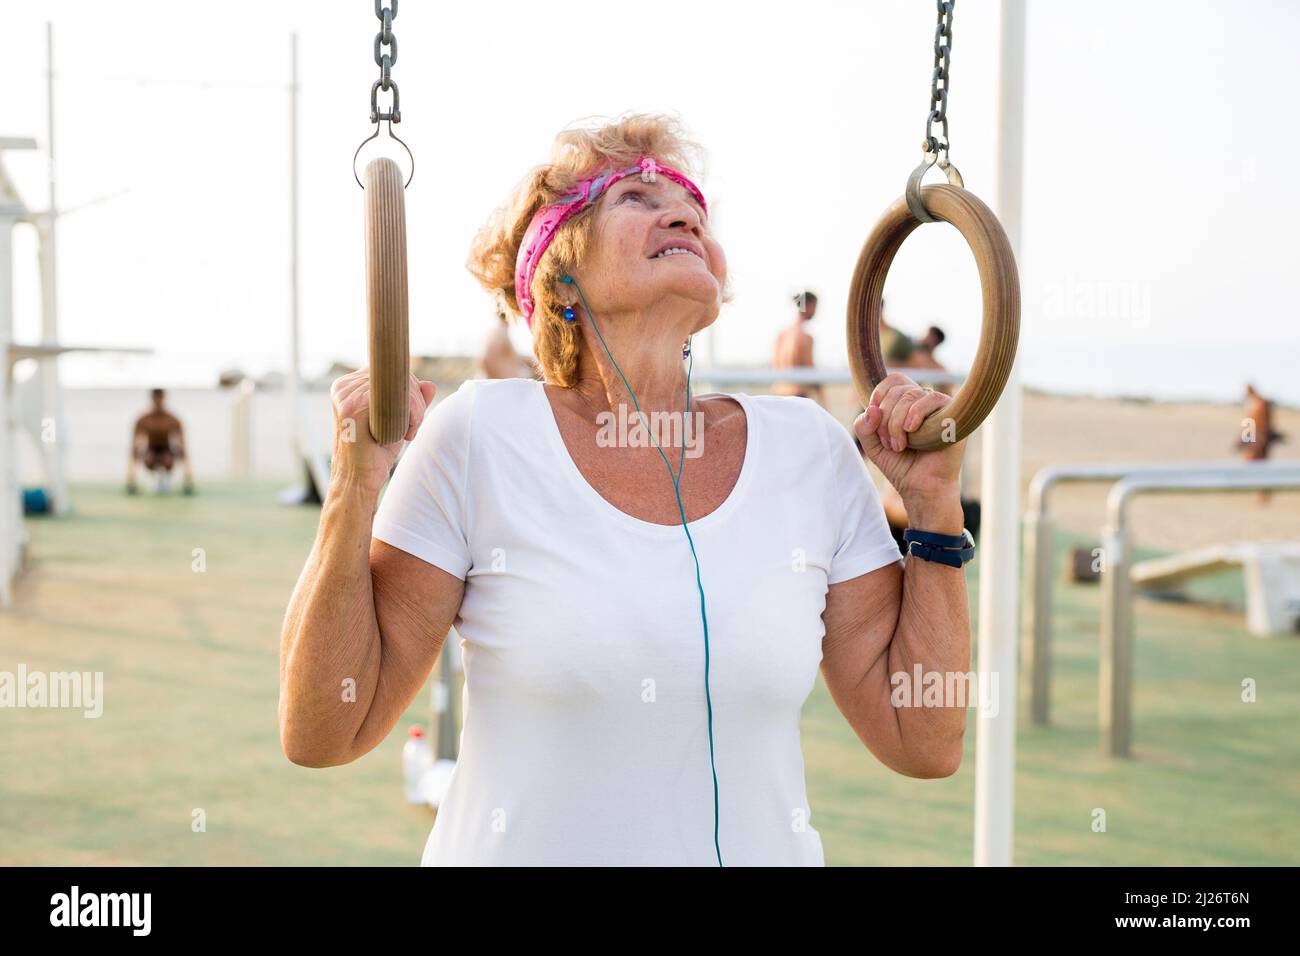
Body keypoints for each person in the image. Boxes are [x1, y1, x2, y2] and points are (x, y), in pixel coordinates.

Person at [279, 113, 974, 867]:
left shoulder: (809, 449)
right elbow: (324, 732)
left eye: (692, 209)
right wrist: (355, 486)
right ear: (561, 276)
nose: (683, 213)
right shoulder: (482, 434)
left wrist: (934, 511)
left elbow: (923, 741)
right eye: (636, 199)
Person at [126, 388, 194, 495]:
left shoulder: (172, 419)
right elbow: (136, 445)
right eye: (155, 398)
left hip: (166, 450)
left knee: (169, 458)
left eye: (160, 398)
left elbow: (181, 445)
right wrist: (131, 478)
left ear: (164, 399)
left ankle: (183, 481)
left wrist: (188, 478)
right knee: (146, 456)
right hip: (151, 450)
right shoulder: (143, 419)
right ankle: (134, 482)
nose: (158, 401)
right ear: (152, 399)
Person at [1237, 382, 1286, 504]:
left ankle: (1263, 495)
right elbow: (1249, 424)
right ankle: (1261, 494)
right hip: (1256, 441)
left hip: (1259, 442)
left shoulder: (1260, 405)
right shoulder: (1255, 405)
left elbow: (1262, 425)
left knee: (1261, 468)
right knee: (1256, 468)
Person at [772, 290, 823, 404]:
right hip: (798, 396)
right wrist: (822, 398)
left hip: (778, 395)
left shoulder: (782, 335)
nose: (815, 311)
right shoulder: (805, 337)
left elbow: (775, 367)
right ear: (808, 306)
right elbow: (810, 371)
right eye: (815, 306)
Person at [479, 303, 537, 380]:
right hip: (503, 380)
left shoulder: (499, 331)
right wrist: (496, 378)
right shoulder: (499, 332)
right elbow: (485, 359)